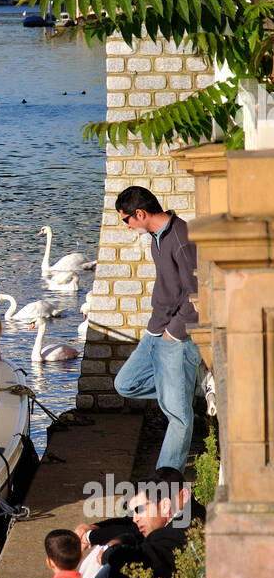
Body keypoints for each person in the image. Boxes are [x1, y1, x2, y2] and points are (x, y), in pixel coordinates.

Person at [112, 185, 202, 473]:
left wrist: (175, 330)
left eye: (126, 220)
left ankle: (166, 483)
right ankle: (187, 386)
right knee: (125, 384)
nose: (126, 226)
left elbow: (199, 294)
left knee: (179, 417)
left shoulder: (181, 238)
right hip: (155, 331)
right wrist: (158, 329)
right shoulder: (156, 239)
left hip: (175, 337)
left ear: (139, 213)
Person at [90, 469, 195, 578]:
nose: (135, 518)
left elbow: (147, 557)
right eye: (133, 513)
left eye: (140, 510)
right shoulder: (177, 520)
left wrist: (111, 553)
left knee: (112, 573)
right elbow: (133, 532)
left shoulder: (180, 530)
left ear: (165, 505)